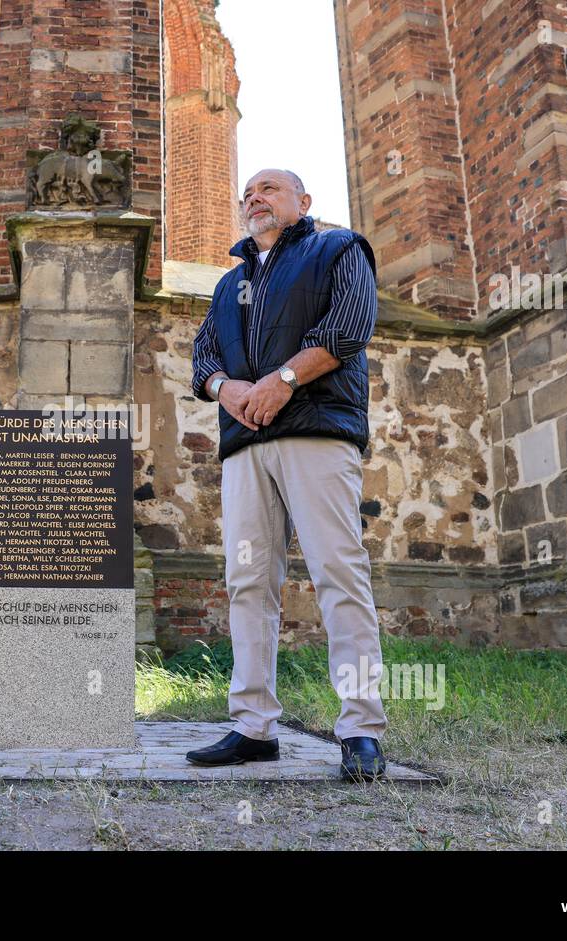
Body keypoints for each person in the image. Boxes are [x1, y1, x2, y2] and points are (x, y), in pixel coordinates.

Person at [185, 168, 388, 781]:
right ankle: (253, 726)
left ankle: (360, 728)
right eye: (247, 193)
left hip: (317, 433)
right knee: (247, 582)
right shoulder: (229, 284)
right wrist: (231, 389)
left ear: (303, 201)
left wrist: (283, 381)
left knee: (338, 573)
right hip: (246, 443)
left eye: (269, 189)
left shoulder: (337, 249)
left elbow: (349, 328)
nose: (254, 198)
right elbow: (202, 359)